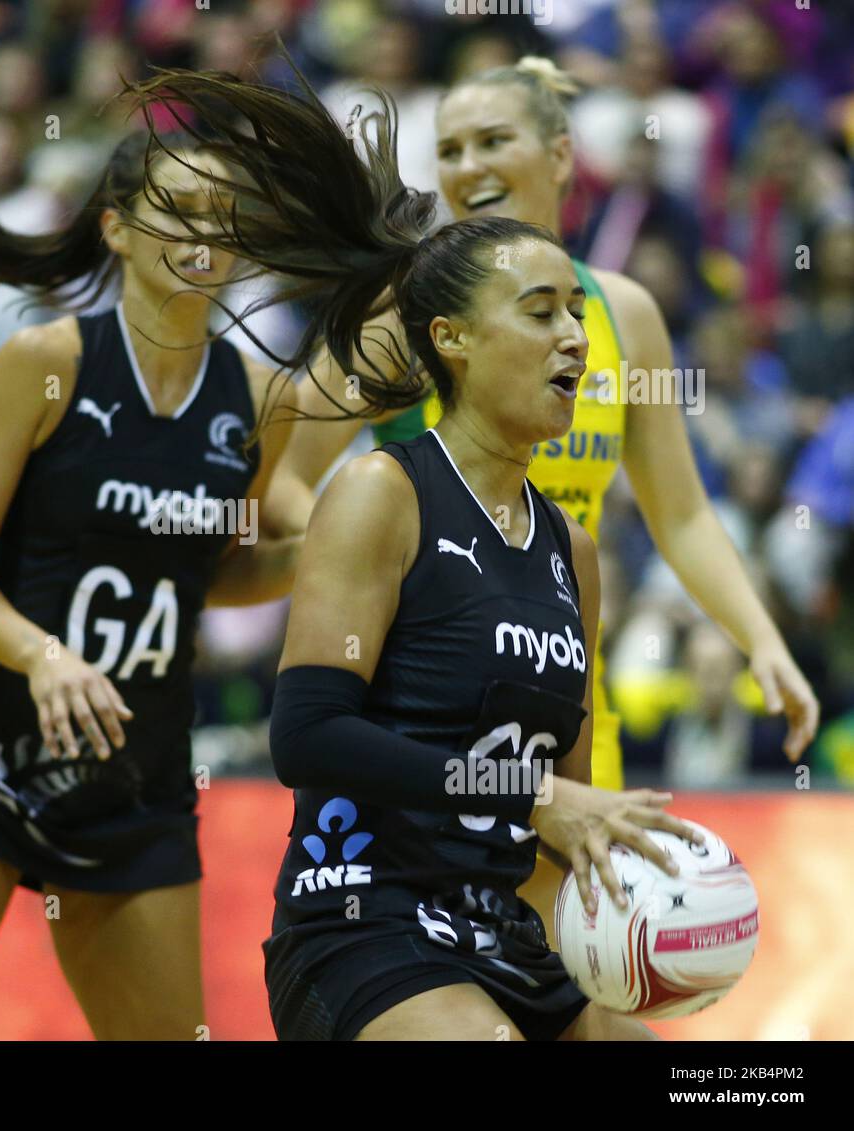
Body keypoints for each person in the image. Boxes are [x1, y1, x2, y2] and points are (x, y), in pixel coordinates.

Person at [120, 66, 704, 1041]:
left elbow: (573, 802)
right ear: (454, 343)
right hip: (363, 925)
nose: (574, 337)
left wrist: (641, 925)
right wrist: (534, 795)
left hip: (503, 935)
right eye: (540, 313)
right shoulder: (379, 496)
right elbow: (304, 739)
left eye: (574, 311)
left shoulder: (577, 553)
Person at [193, 55, 818, 946]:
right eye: (449, 147)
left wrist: (762, 641)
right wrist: (359, 562)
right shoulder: (410, 312)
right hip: (438, 706)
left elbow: (680, 512)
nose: (468, 166)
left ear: (562, 155)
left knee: (577, 978)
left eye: (495, 140)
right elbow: (290, 471)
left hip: (561, 700)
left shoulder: (623, 313)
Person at [0, 131, 302, 1041]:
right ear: (117, 230)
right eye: (177, 209)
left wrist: (319, 557)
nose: (202, 234)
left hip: (132, 773)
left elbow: (213, 570)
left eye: (223, 216)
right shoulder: (45, 361)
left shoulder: (265, 400)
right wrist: (43, 654)